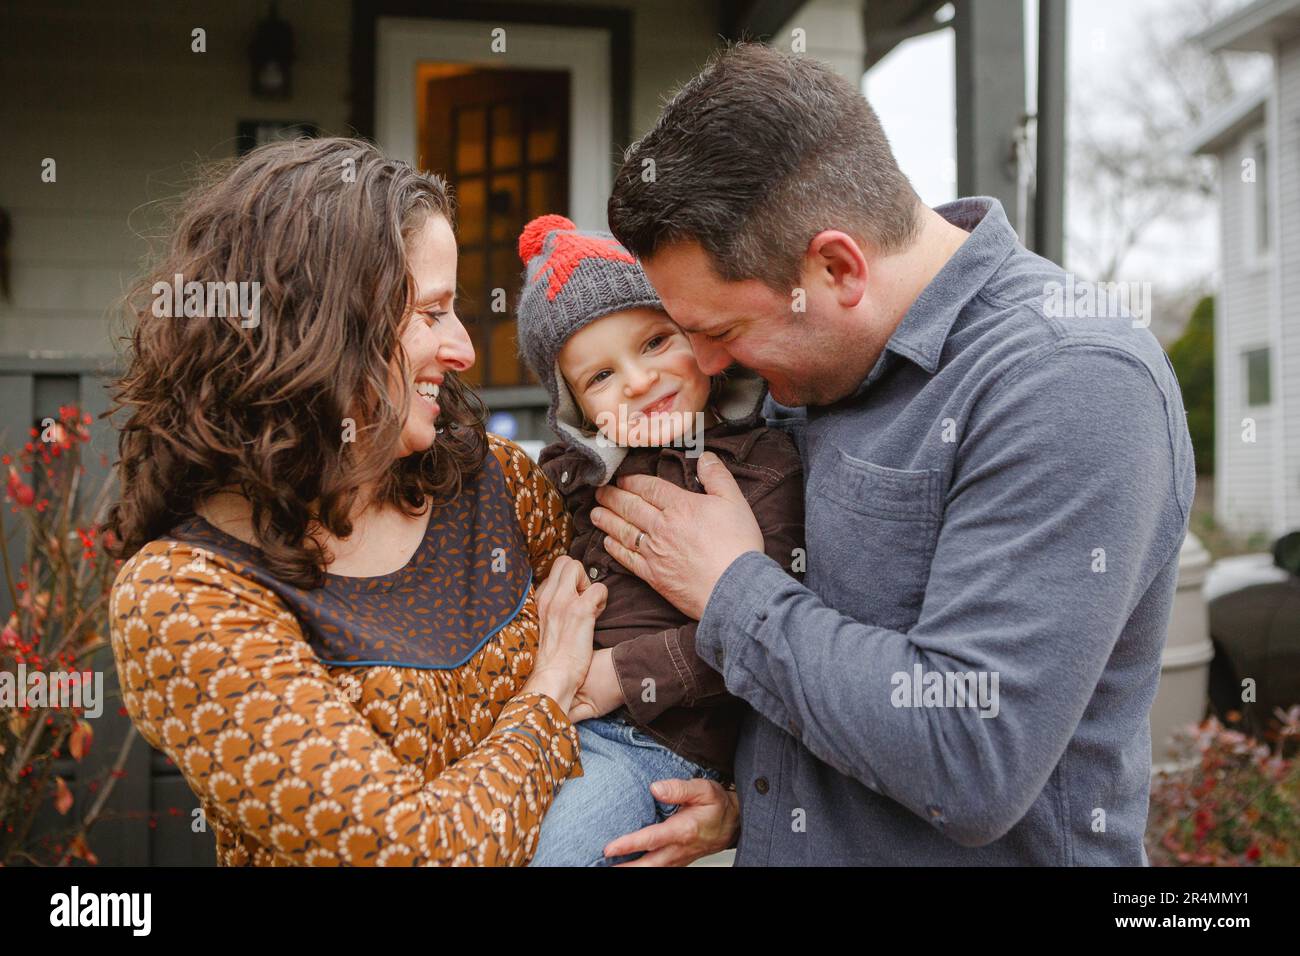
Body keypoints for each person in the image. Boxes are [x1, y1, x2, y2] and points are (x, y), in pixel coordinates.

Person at [592, 43, 1196, 865]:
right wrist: (748, 805)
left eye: (721, 332)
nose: (703, 370)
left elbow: (969, 753)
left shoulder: (1069, 381)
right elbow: (824, 680)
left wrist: (730, 589)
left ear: (836, 267)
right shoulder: (810, 367)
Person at [105, 137, 603, 866]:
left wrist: (712, 797)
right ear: (322, 329)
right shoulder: (186, 597)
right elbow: (413, 853)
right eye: (431, 314)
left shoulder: (492, 483)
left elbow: (635, 646)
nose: (464, 348)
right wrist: (552, 687)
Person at [510, 215, 804, 865]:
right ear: (577, 412)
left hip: (654, 743)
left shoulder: (760, 466)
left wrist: (624, 675)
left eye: (653, 342)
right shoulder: (569, 479)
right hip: (547, 721)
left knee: (554, 855)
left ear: (695, 333)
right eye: (601, 378)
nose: (639, 381)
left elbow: (774, 635)